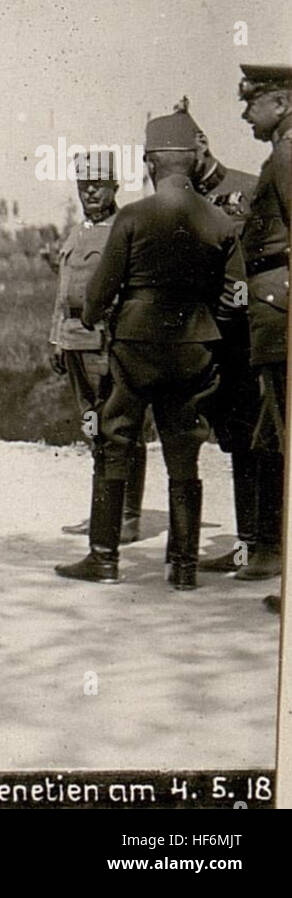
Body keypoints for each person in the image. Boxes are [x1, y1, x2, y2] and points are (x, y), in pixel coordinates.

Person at [56, 111, 245, 589]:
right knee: (184, 453)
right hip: (196, 349)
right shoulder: (221, 220)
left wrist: (95, 316)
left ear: (150, 164)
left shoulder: (133, 218)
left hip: (136, 348)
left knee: (114, 442)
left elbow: (99, 293)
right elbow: (236, 293)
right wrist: (208, 327)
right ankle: (183, 568)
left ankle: (104, 560)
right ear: (191, 159)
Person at [180, 105, 266, 579]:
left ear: (202, 144)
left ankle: (266, 544)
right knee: (234, 438)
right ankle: (246, 542)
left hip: (252, 332)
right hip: (212, 338)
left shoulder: (249, 187)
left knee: (261, 435)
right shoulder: (181, 199)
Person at [48, 154, 145, 543]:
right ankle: (102, 512)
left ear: (114, 187)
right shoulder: (76, 233)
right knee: (93, 428)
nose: (90, 191)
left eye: (99, 184)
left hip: (107, 341)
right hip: (74, 341)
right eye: (83, 184)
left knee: (119, 429)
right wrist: (56, 338)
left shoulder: (122, 230)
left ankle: (127, 517)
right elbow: (62, 293)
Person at [235, 63, 291, 615]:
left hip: (282, 310)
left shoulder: (287, 155)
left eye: (251, 101)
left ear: (280, 102)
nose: (244, 110)